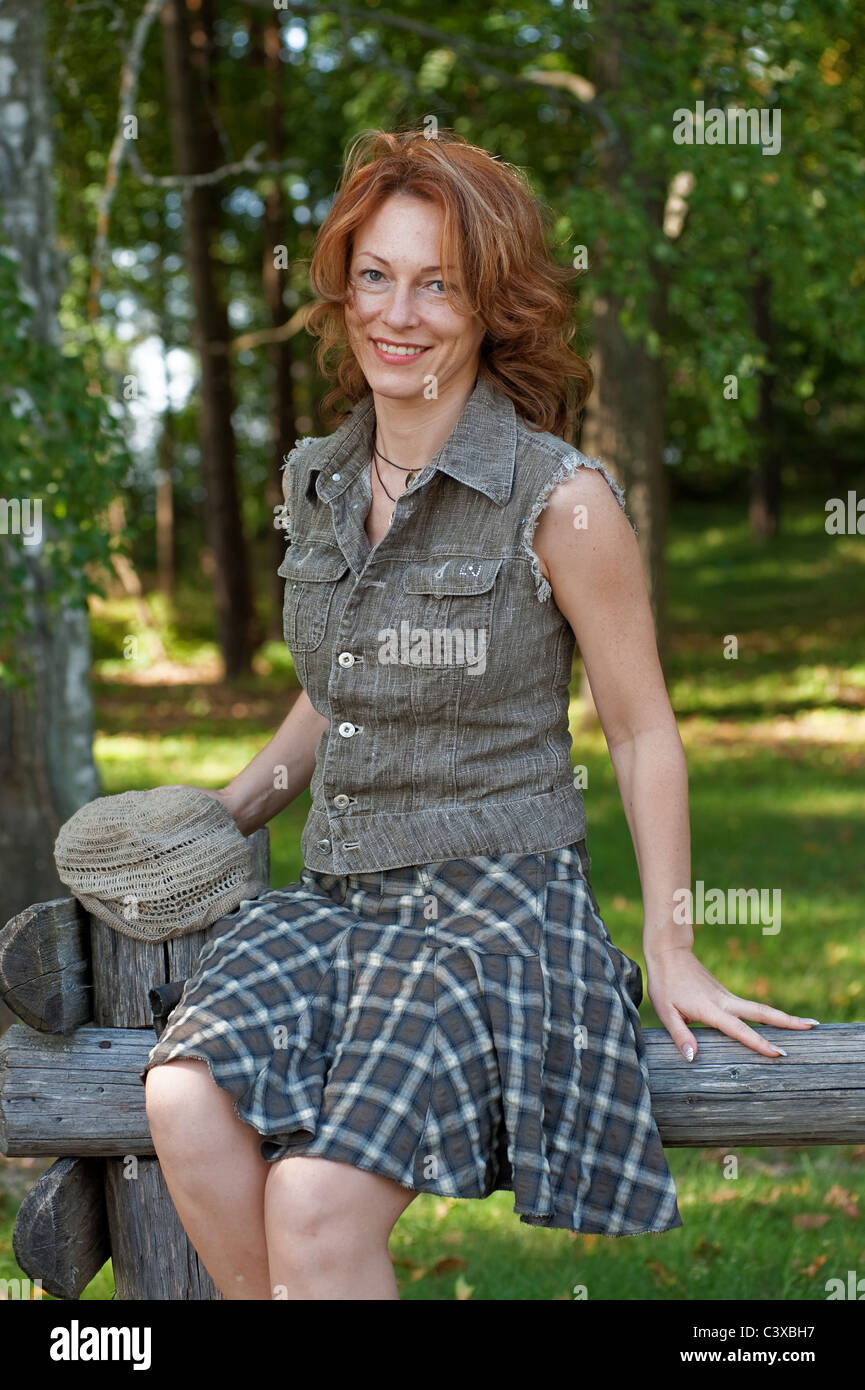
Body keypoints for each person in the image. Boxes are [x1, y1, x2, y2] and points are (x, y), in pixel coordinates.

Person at [141, 128, 816, 1301]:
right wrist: (228, 808)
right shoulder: (321, 481)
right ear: (342, 287)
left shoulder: (561, 500)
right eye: (375, 276)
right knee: (180, 1101)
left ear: (490, 303)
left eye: (438, 282)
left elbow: (645, 728)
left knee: (311, 1203)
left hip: (497, 917)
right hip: (345, 905)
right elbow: (337, 687)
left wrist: (670, 939)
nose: (399, 313)